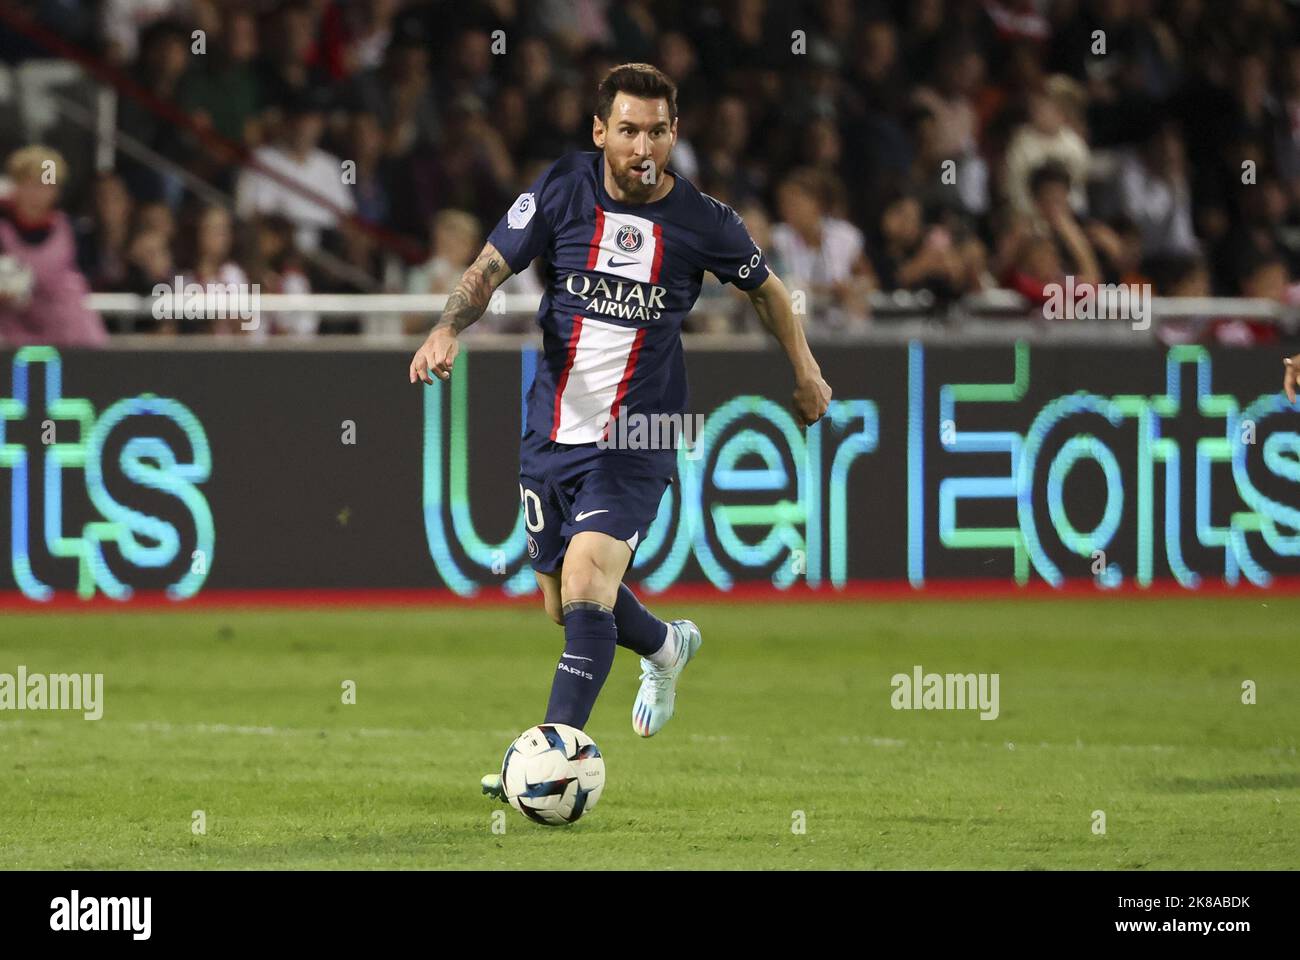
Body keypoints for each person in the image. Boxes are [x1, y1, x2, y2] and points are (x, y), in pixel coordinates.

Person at [407, 64, 832, 798]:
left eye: (658, 132)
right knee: (561, 604)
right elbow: (487, 266)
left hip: (642, 429)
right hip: (552, 428)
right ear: (600, 131)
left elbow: (766, 291)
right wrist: (446, 329)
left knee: (586, 580)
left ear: (675, 136)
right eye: (629, 129)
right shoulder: (561, 188)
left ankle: (548, 760)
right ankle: (666, 646)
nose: (644, 146)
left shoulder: (705, 221)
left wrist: (806, 370)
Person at [0, 146, 107, 348]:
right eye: (29, 185)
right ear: (15, 186)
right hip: (13, 333)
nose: (37, 194)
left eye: (45, 186)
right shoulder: (3, 229)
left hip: (67, 331)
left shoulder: (76, 230)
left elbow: (93, 275)